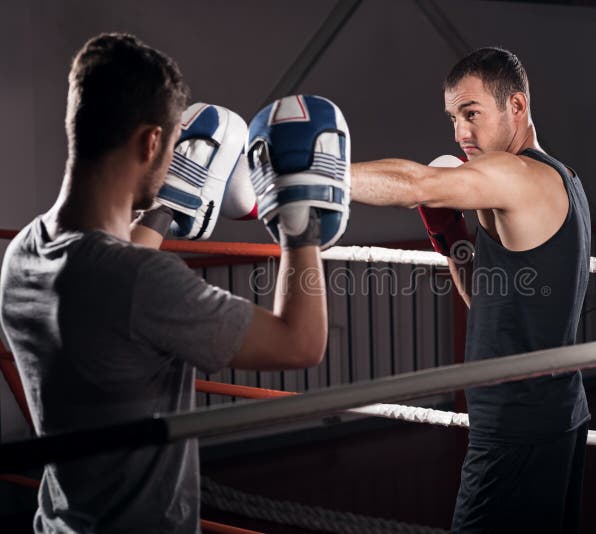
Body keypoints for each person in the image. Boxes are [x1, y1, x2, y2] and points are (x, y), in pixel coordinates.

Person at [0, 33, 349, 533]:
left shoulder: (24, 252)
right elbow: (301, 343)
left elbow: (106, 292)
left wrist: (164, 214)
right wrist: (299, 222)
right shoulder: (140, 281)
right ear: (150, 142)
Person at [350, 47, 591, 532]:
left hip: (517, 425)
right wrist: (451, 238)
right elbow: (490, 302)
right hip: (553, 414)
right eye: (454, 117)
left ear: (516, 107)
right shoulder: (554, 177)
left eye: (472, 113)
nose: (461, 132)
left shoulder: (517, 175)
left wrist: (311, 175)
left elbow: (415, 182)